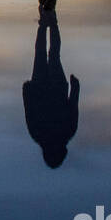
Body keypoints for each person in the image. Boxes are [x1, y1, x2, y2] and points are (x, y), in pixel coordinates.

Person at [22, 14, 80, 168]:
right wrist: (26, 90)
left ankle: (50, 23)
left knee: (52, 55)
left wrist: (75, 88)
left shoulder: (67, 132)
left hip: (51, 87)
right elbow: (29, 109)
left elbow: (73, 105)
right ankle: (45, 24)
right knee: (43, 54)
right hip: (43, 87)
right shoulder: (37, 134)